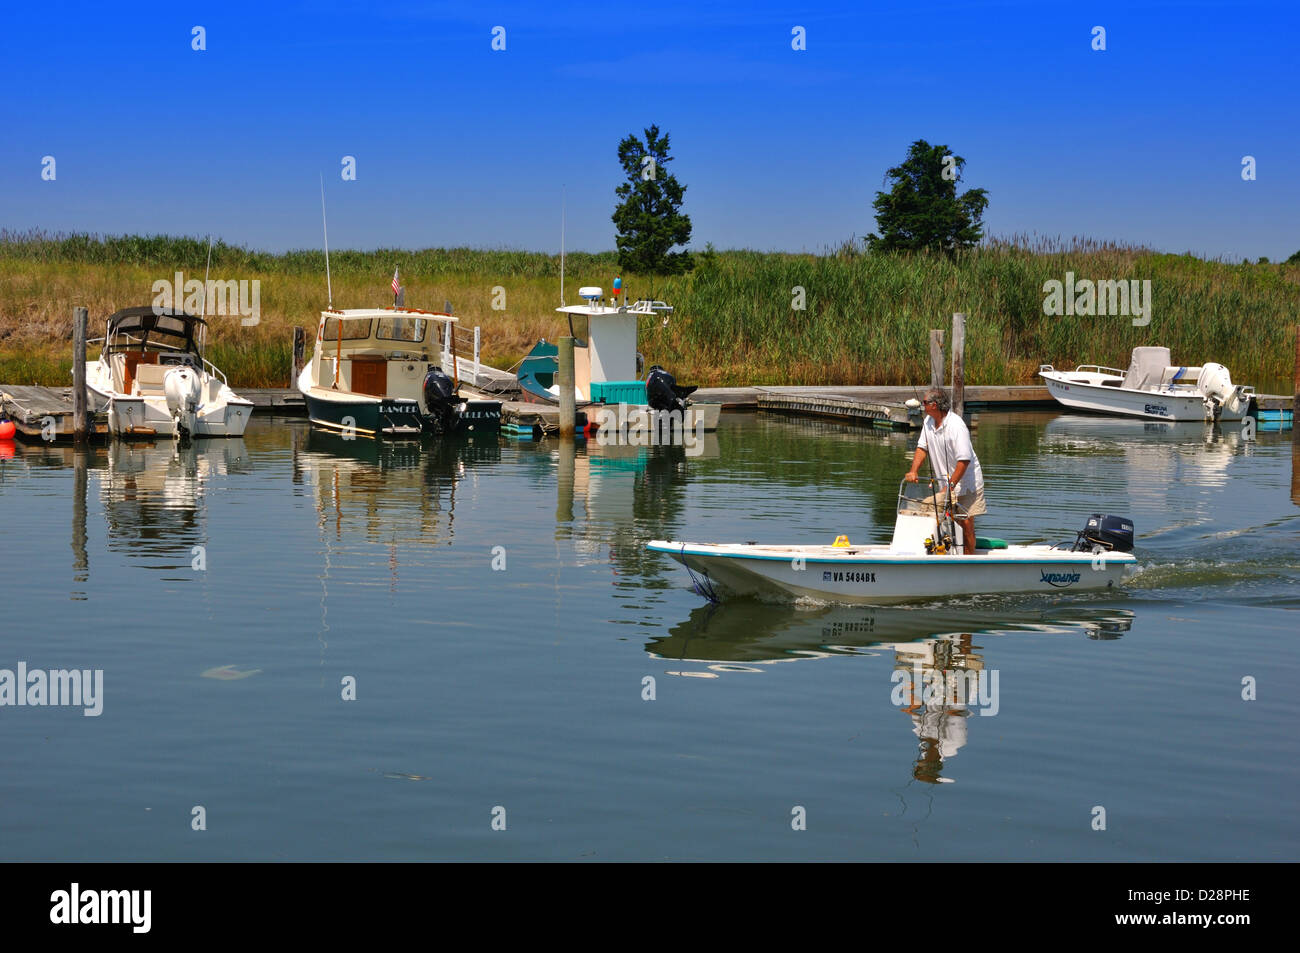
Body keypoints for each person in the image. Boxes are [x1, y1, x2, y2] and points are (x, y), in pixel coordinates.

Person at [904, 387, 985, 552]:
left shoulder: (957, 426)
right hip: (945, 483)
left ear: (934, 405)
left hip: (967, 481)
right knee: (942, 520)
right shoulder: (928, 422)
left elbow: (964, 460)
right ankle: (944, 553)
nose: (922, 405)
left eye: (925, 402)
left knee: (966, 523)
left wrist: (951, 485)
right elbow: (921, 448)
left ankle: (970, 561)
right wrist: (913, 470)